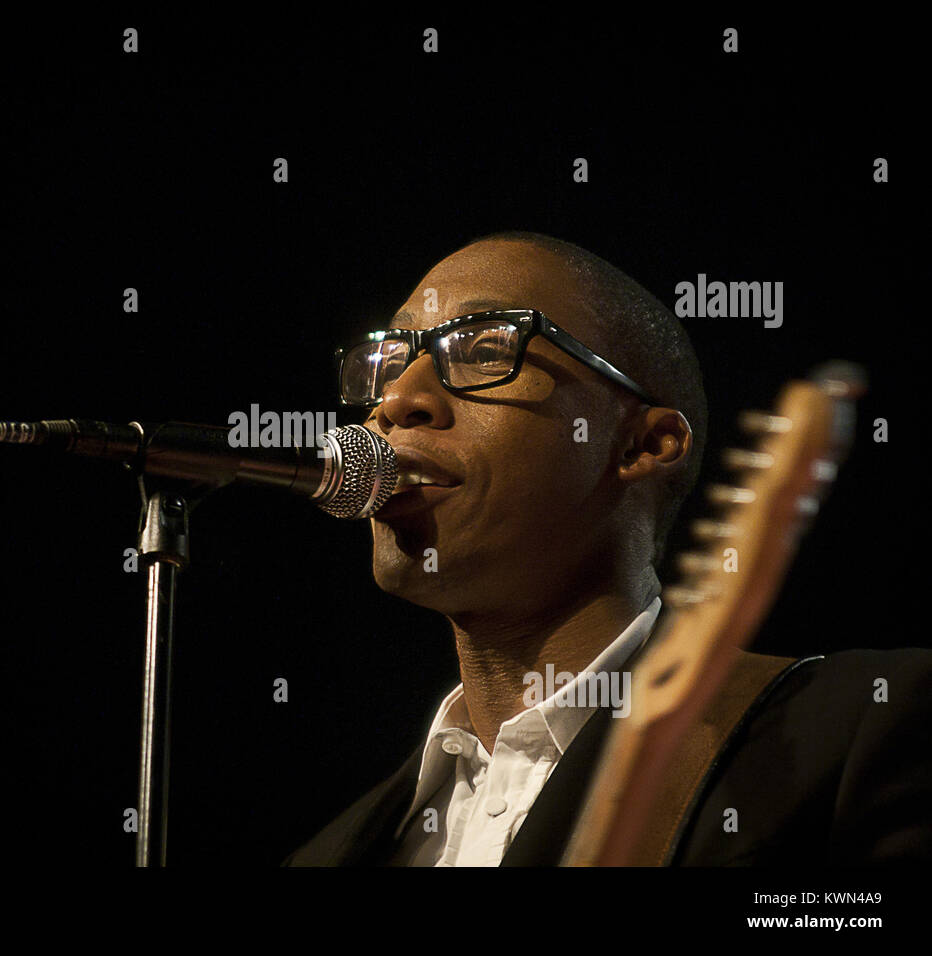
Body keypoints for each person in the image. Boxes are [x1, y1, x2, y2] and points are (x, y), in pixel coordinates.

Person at [283, 232, 932, 866]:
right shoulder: (332, 851)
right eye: (389, 364)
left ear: (642, 446)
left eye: (483, 348)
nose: (397, 400)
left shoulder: (860, 732)